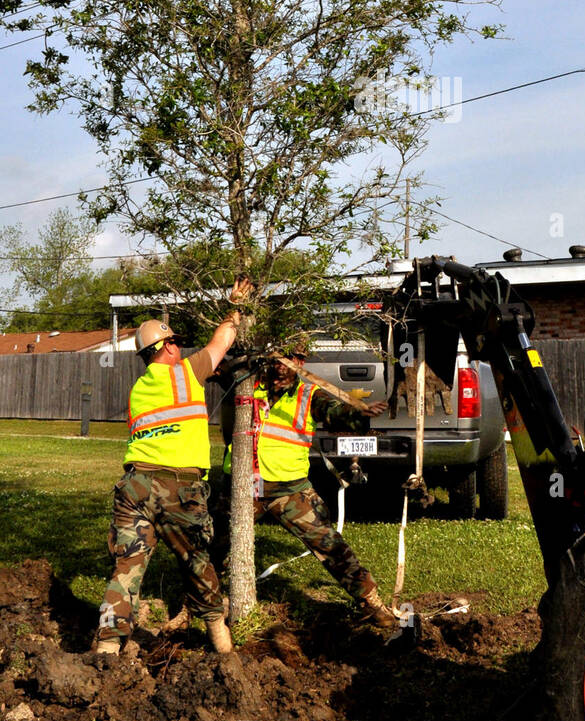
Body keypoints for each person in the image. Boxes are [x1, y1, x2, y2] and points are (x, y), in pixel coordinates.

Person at [95, 278, 253, 656]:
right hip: (178, 487)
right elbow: (222, 341)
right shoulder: (185, 371)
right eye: (176, 342)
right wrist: (235, 306)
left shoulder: (140, 388)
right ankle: (222, 643)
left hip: (134, 487)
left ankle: (105, 650)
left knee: (126, 570)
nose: (181, 347)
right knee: (197, 562)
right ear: (165, 347)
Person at [216, 337, 397, 631]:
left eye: (291, 360)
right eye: (276, 359)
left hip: (290, 490)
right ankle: (198, 607)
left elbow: (336, 413)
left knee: (330, 545)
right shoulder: (248, 384)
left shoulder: (309, 394)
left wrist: (358, 414)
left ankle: (371, 602)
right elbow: (216, 365)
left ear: (301, 363)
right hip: (243, 487)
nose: (281, 368)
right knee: (215, 544)